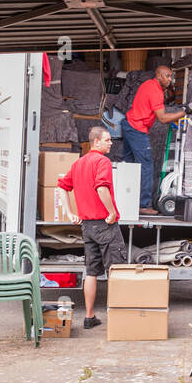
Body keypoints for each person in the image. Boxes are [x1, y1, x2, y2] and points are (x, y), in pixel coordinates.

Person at [58, 127, 126, 329]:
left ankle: (89, 317)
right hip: (104, 225)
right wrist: (111, 212)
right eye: (107, 140)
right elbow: (102, 187)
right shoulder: (102, 161)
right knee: (117, 270)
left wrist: (70, 213)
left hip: (87, 226)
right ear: (96, 142)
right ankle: (119, 319)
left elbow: (62, 187)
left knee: (91, 271)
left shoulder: (78, 163)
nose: (111, 143)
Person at [122, 64, 186, 215]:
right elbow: (162, 117)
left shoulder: (147, 84)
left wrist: (173, 121)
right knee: (147, 166)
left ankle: (125, 200)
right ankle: (144, 205)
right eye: (168, 76)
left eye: (171, 76)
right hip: (137, 129)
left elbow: (149, 108)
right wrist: (183, 113)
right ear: (159, 76)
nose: (170, 79)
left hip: (129, 124)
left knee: (129, 165)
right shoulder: (156, 91)